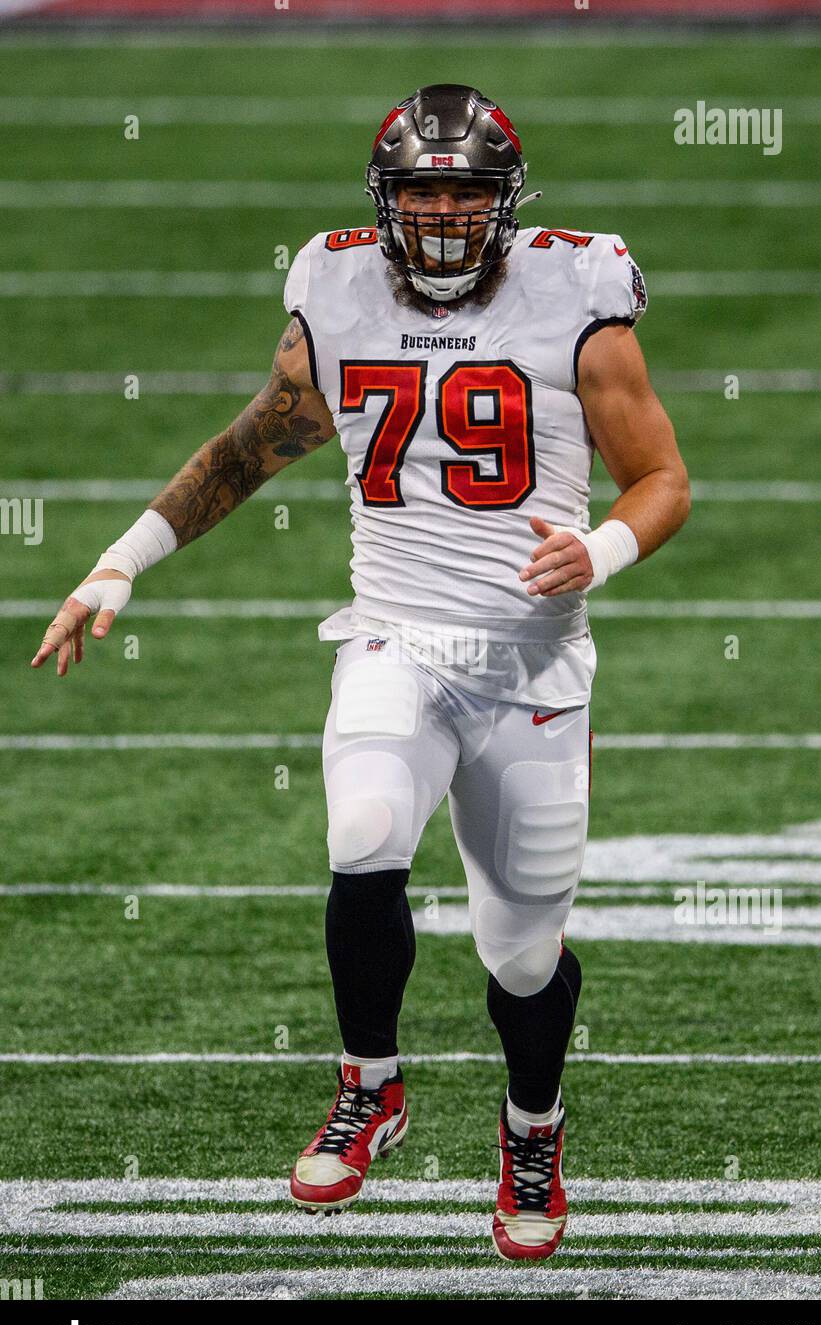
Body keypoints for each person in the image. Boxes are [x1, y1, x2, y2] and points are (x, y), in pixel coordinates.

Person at [32, 85, 690, 1262]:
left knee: (522, 953)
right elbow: (251, 444)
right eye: (422, 190)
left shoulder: (577, 290)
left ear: (505, 202)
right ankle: (370, 1084)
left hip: (530, 663)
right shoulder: (333, 291)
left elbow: (662, 480)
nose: (442, 214)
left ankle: (530, 1124)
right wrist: (118, 563)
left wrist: (597, 546)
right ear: (383, 202)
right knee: (364, 834)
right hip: (392, 638)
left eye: (465, 191)